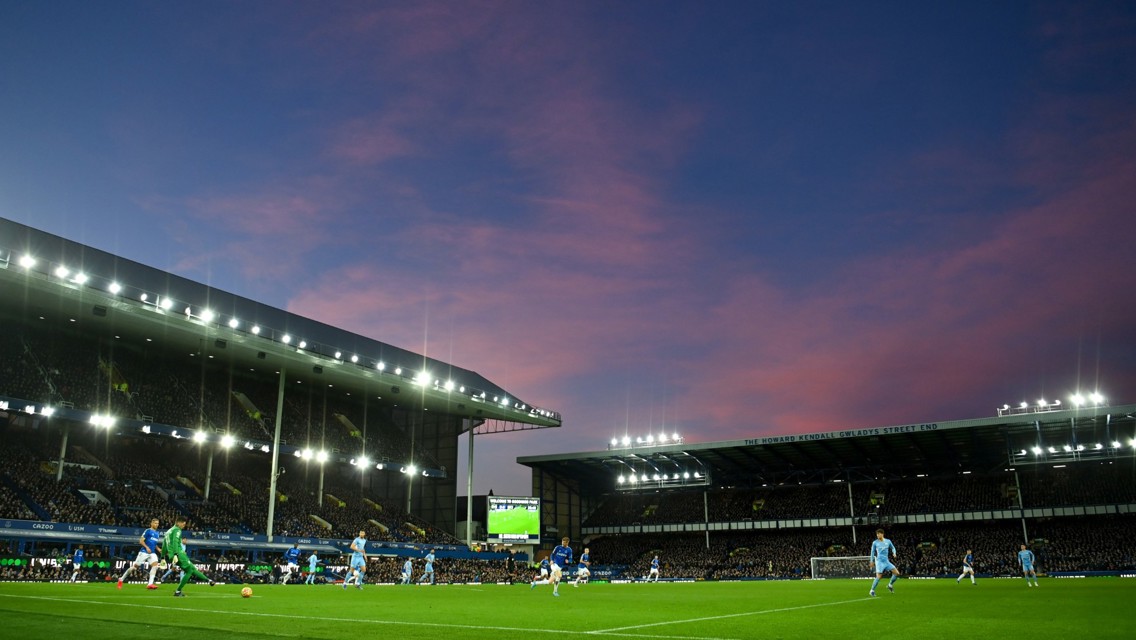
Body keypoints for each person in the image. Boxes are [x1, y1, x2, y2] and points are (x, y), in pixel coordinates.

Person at [162, 516, 216, 597]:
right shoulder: (177, 530)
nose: (184, 526)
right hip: (178, 554)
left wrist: (162, 557)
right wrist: (176, 554)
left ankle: (208, 580)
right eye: (183, 524)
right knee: (189, 571)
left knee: (192, 568)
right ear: (178, 523)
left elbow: (164, 545)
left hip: (172, 555)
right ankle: (178, 591)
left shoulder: (168, 531)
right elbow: (175, 542)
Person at [118, 518, 162, 589]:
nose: (156, 525)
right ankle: (121, 579)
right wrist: (147, 548)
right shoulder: (148, 531)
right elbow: (141, 541)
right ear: (151, 523)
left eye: (157, 523)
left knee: (155, 565)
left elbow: (154, 543)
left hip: (152, 552)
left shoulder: (157, 533)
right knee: (134, 567)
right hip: (144, 552)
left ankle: (150, 584)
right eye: (155, 523)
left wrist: (158, 549)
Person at [869, 528, 900, 597]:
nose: (877, 535)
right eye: (876, 534)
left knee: (896, 573)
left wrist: (894, 553)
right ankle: (872, 591)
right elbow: (872, 552)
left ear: (882, 534)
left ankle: (890, 585)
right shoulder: (875, 542)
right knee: (879, 576)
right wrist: (871, 561)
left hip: (886, 561)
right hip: (879, 562)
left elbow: (893, 548)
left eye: (878, 534)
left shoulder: (888, 541)